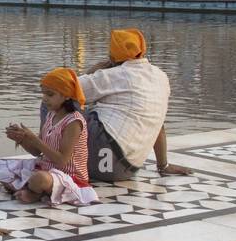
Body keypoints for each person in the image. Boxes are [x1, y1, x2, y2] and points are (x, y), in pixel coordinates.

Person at [75, 29, 193, 181]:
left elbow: (66, 87)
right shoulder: (161, 77)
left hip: (101, 160)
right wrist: (163, 165)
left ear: (112, 55)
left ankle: (50, 158)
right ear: (142, 50)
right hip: (124, 171)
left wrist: (93, 70)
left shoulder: (113, 74)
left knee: (57, 98)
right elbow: (158, 125)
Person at [0, 68, 99, 206]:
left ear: (66, 96)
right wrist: (21, 139)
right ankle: (33, 190)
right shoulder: (51, 114)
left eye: (50, 94)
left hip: (69, 177)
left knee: (39, 179)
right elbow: (37, 151)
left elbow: (62, 161)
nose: (44, 98)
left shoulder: (74, 122)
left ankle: (32, 190)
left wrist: (34, 139)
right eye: (43, 93)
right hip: (45, 169)